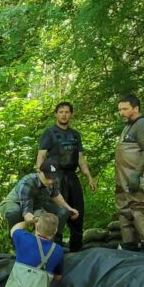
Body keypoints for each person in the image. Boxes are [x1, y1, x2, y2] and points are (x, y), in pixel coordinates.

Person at [35, 102, 98, 252]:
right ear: (56, 114)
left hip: (72, 177)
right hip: (55, 177)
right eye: (61, 112)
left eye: (67, 112)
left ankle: (77, 250)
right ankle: (53, 250)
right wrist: (40, 177)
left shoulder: (75, 135)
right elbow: (41, 156)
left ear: (71, 114)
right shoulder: (49, 133)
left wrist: (89, 177)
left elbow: (80, 159)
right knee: (58, 213)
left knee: (77, 212)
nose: (64, 114)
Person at [115, 95, 144, 252]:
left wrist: (137, 175)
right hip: (123, 179)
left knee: (140, 208)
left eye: (125, 109)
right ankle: (129, 246)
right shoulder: (128, 126)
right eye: (119, 110)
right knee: (124, 210)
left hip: (136, 178)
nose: (121, 112)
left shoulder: (143, 124)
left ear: (136, 108)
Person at [0, 162, 80, 242]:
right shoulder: (28, 182)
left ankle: (53, 242)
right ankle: (16, 243)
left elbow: (56, 196)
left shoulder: (54, 181)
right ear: (39, 172)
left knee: (63, 211)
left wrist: (70, 208)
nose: (50, 181)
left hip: (36, 205)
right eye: (48, 177)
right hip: (15, 203)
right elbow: (26, 211)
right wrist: (36, 220)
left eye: (53, 177)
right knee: (14, 212)